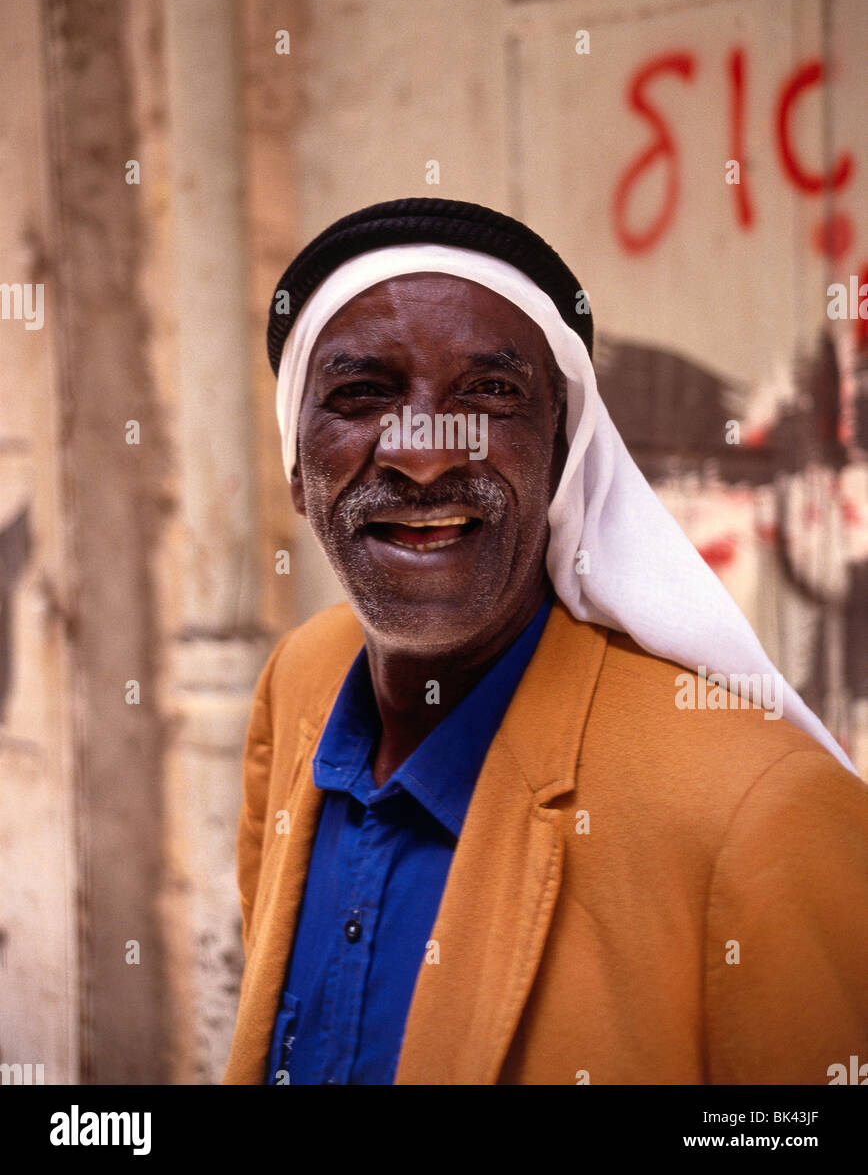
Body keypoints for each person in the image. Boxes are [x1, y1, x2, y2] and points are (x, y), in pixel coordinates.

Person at [223, 197, 868, 1086]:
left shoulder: (759, 816)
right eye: (362, 394)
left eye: (489, 394)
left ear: (563, 457)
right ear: (299, 469)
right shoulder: (300, 681)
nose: (424, 455)